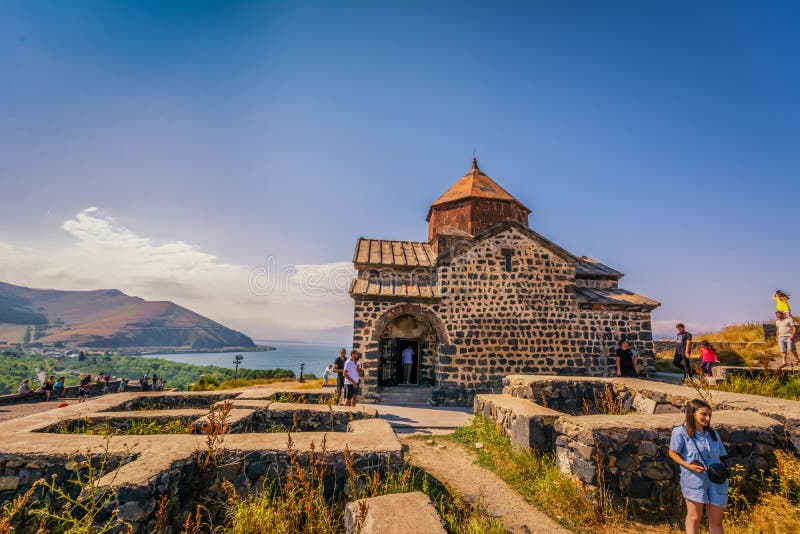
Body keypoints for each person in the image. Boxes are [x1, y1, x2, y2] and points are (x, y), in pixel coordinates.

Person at [668, 399, 727, 534]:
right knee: (695, 516)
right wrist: (688, 466)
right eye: (703, 414)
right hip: (695, 479)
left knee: (716, 521)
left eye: (709, 415)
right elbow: (672, 452)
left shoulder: (713, 434)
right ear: (692, 413)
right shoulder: (680, 432)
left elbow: (719, 457)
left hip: (716, 480)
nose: (707, 418)